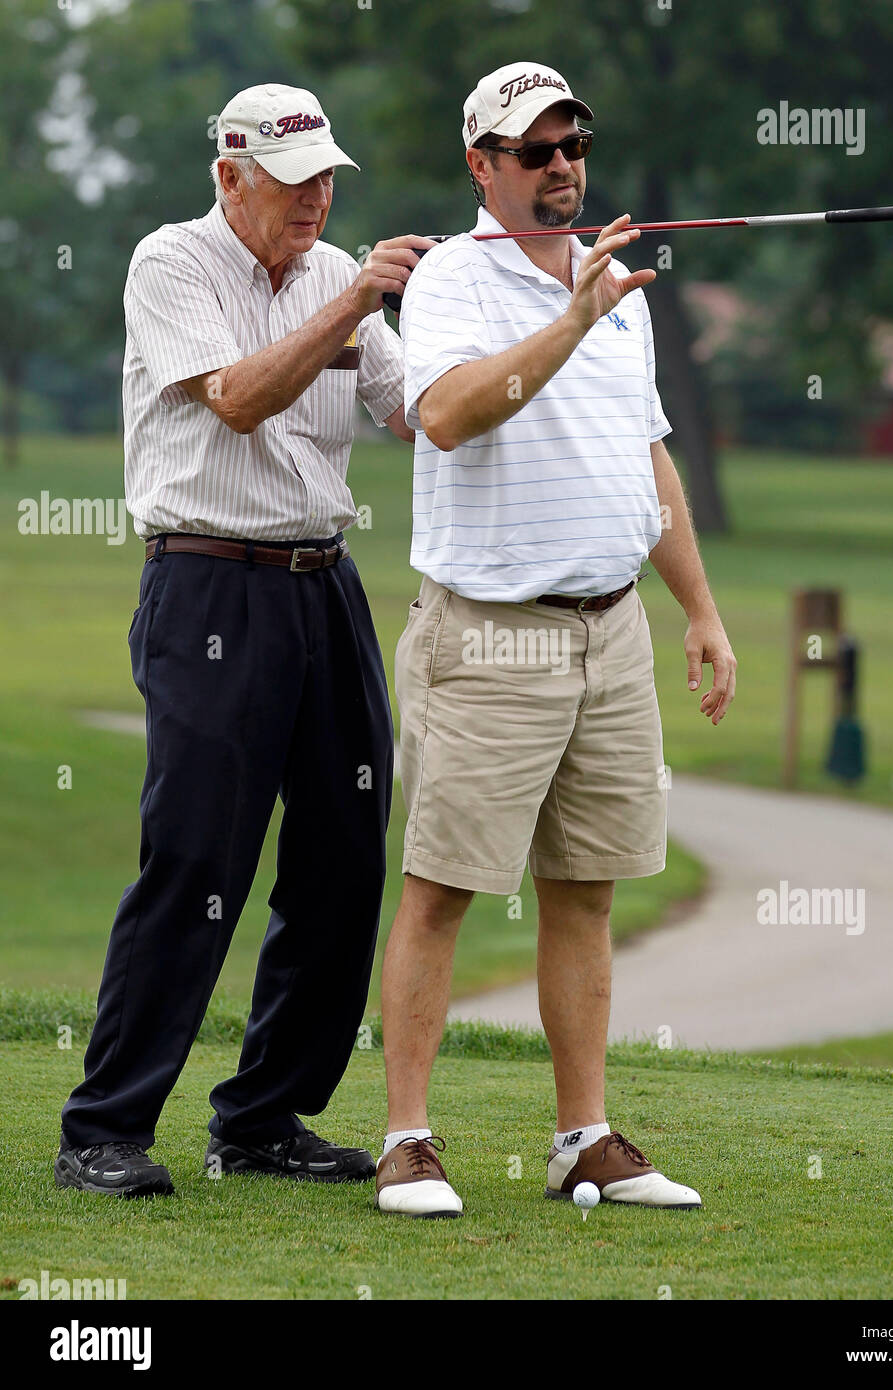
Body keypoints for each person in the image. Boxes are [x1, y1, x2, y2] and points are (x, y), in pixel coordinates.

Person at [57, 83, 435, 1197]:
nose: (315, 198)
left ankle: (263, 1116)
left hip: (326, 585)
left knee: (341, 859)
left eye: (325, 177)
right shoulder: (170, 262)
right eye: (291, 179)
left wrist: (548, 326)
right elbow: (234, 396)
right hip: (207, 585)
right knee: (195, 860)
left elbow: (416, 409)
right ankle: (105, 1130)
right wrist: (354, 299)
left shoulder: (338, 274)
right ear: (230, 176)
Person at [375, 63, 737, 1219]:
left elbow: (647, 457)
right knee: (441, 890)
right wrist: (571, 319)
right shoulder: (444, 279)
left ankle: (580, 1137)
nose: (560, 167)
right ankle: (405, 1141)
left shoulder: (613, 287)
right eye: (533, 152)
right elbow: (445, 413)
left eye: (571, 145)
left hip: (608, 630)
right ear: (481, 165)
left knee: (586, 891)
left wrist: (700, 607)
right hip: (487, 636)